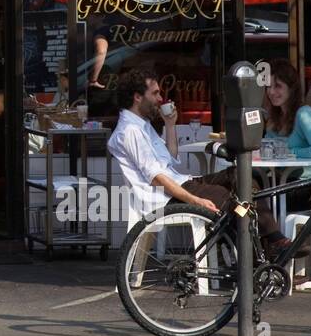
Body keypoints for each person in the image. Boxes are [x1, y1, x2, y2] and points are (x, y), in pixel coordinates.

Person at [105, 68, 297, 258]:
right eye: (155, 93)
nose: (160, 98)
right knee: (232, 199)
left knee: (241, 176)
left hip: (181, 182)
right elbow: (157, 178)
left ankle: (272, 243)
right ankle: (259, 257)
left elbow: (169, 159)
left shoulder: (142, 125)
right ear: (138, 97)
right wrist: (195, 200)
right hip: (165, 196)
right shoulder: (129, 131)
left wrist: (170, 125)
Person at [262, 61, 311, 209]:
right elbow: (269, 152)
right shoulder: (275, 117)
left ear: (292, 88)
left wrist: (287, 153)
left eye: (277, 86)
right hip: (283, 181)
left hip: (310, 185)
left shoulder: (304, 113)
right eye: (268, 87)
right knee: (246, 190)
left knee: (262, 203)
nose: (271, 92)